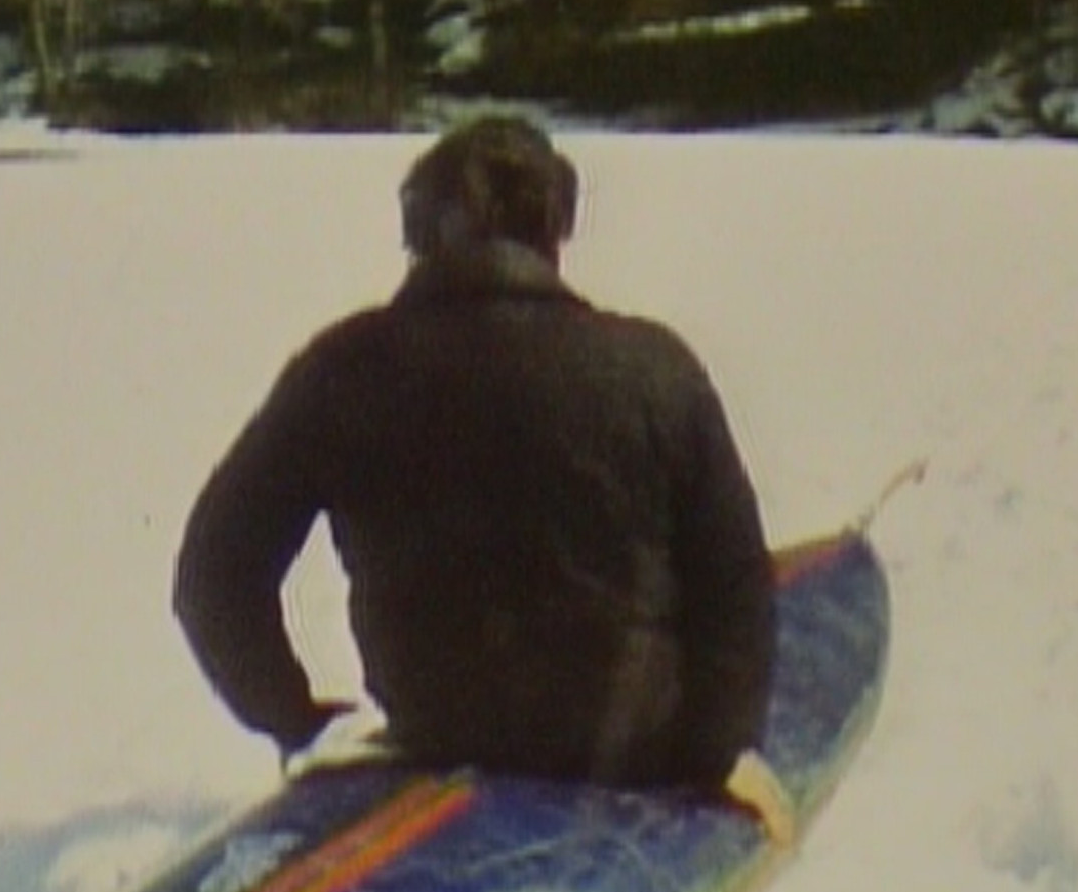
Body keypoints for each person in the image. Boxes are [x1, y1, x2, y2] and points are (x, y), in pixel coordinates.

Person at [173, 116, 774, 791]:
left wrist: (294, 719)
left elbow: (215, 574)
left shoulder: (346, 370)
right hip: (627, 753)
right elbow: (736, 586)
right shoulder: (654, 369)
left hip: (436, 738)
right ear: (555, 228)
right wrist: (717, 752)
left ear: (420, 234)